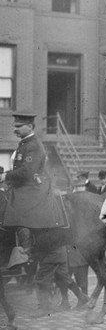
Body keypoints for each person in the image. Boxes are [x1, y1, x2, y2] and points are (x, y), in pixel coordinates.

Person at [0, 112, 65, 261]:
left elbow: (26, 172)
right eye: (15, 126)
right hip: (24, 185)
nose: (15, 129)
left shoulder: (34, 145)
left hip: (33, 187)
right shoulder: (25, 144)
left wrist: (5, 176)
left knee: (18, 214)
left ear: (30, 126)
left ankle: (26, 252)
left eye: (19, 126)